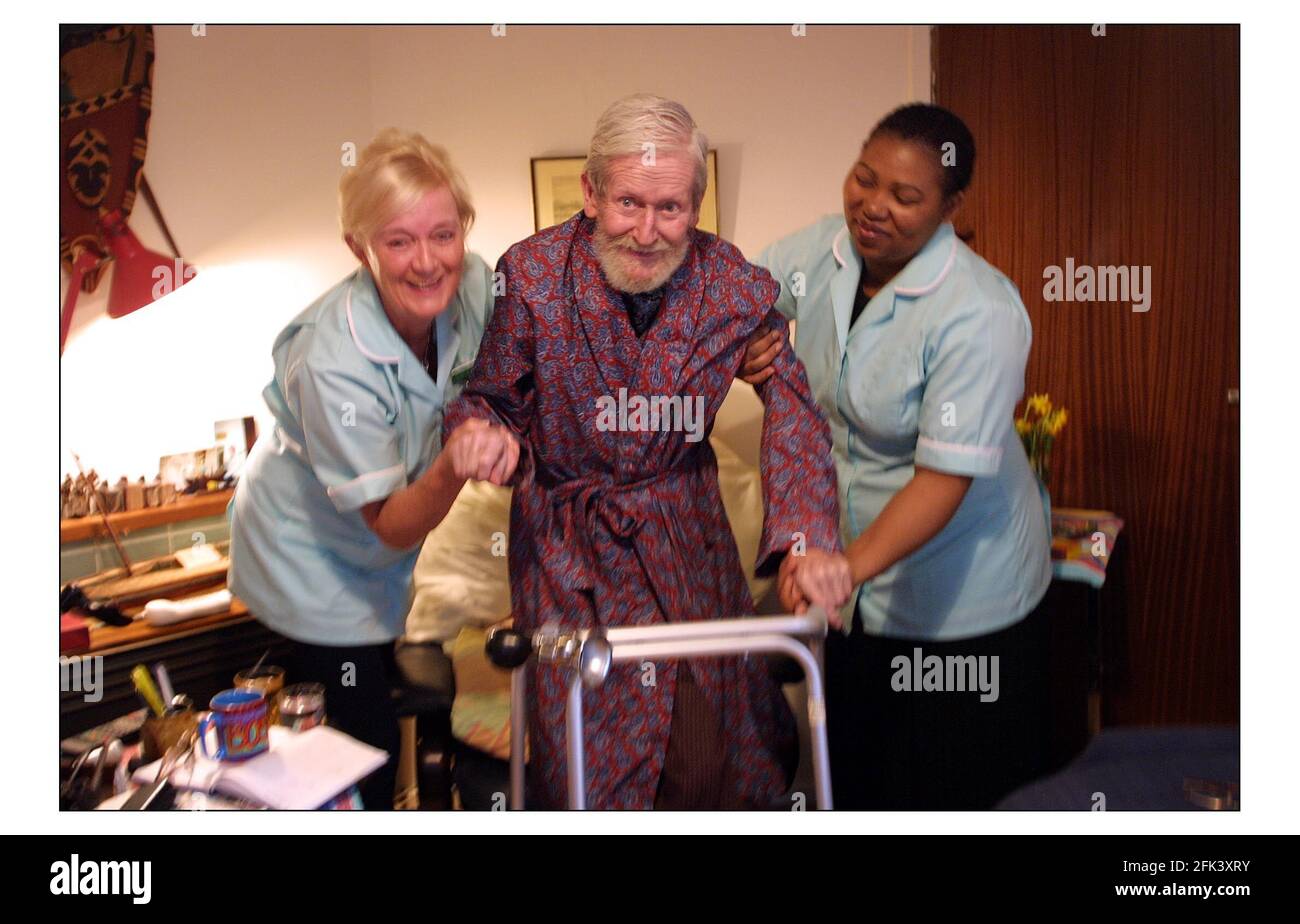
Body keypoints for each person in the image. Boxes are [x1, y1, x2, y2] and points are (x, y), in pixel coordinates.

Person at [443, 94, 847, 810]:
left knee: (711, 758)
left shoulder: (729, 283)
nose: (649, 232)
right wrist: (477, 432)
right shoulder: (532, 276)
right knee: (589, 766)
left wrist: (806, 541)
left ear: (697, 205)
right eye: (630, 203)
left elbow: (794, 410)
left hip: (683, 539)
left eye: (672, 208)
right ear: (591, 193)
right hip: (569, 555)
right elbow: (492, 398)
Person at [743, 103, 1053, 809]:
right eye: (864, 178)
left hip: (962, 602)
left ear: (949, 206)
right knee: (860, 778)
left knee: (951, 788)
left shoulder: (978, 312)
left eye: (905, 196)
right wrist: (745, 346)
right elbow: (737, 297)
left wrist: (843, 568)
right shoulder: (823, 253)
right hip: (851, 591)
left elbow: (942, 481)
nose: (873, 206)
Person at [228, 129, 518, 808]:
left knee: (375, 704)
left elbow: (509, 374)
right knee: (360, 752)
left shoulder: (475, 284)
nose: (427, 262)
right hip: (308, 558)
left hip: (380, 560)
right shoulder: (332, 359)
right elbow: (390, 522)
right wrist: (455, 463)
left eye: (443, 235)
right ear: (359, 248)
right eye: (399, 241)